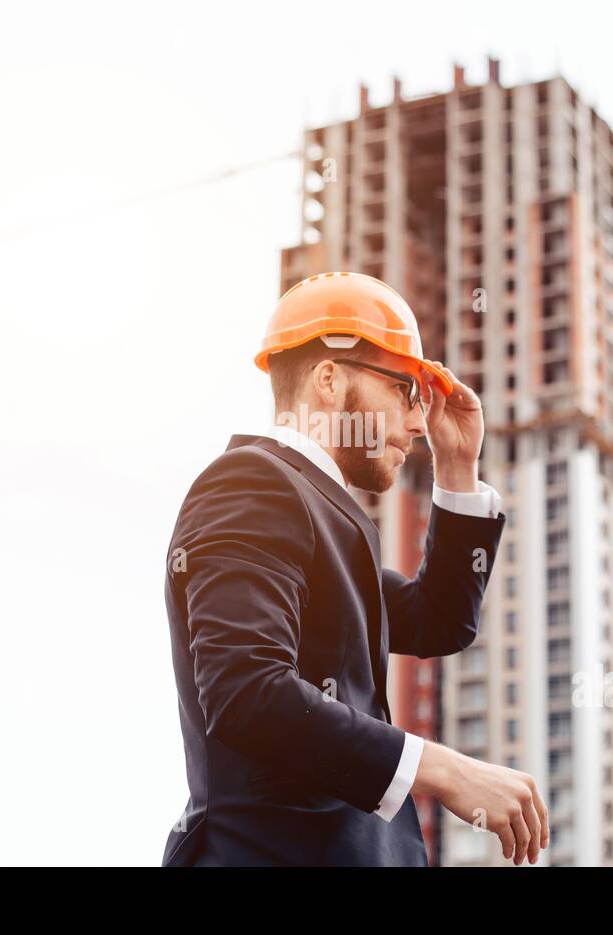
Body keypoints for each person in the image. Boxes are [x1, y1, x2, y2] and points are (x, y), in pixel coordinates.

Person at [161, 272, 548, 866]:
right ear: (329, 379)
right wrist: (440, 768)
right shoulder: (252, 484)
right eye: (404, 392)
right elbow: (245, 690)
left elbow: (438, 622)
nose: (419, 425)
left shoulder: (324, 514)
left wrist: (457, 466)